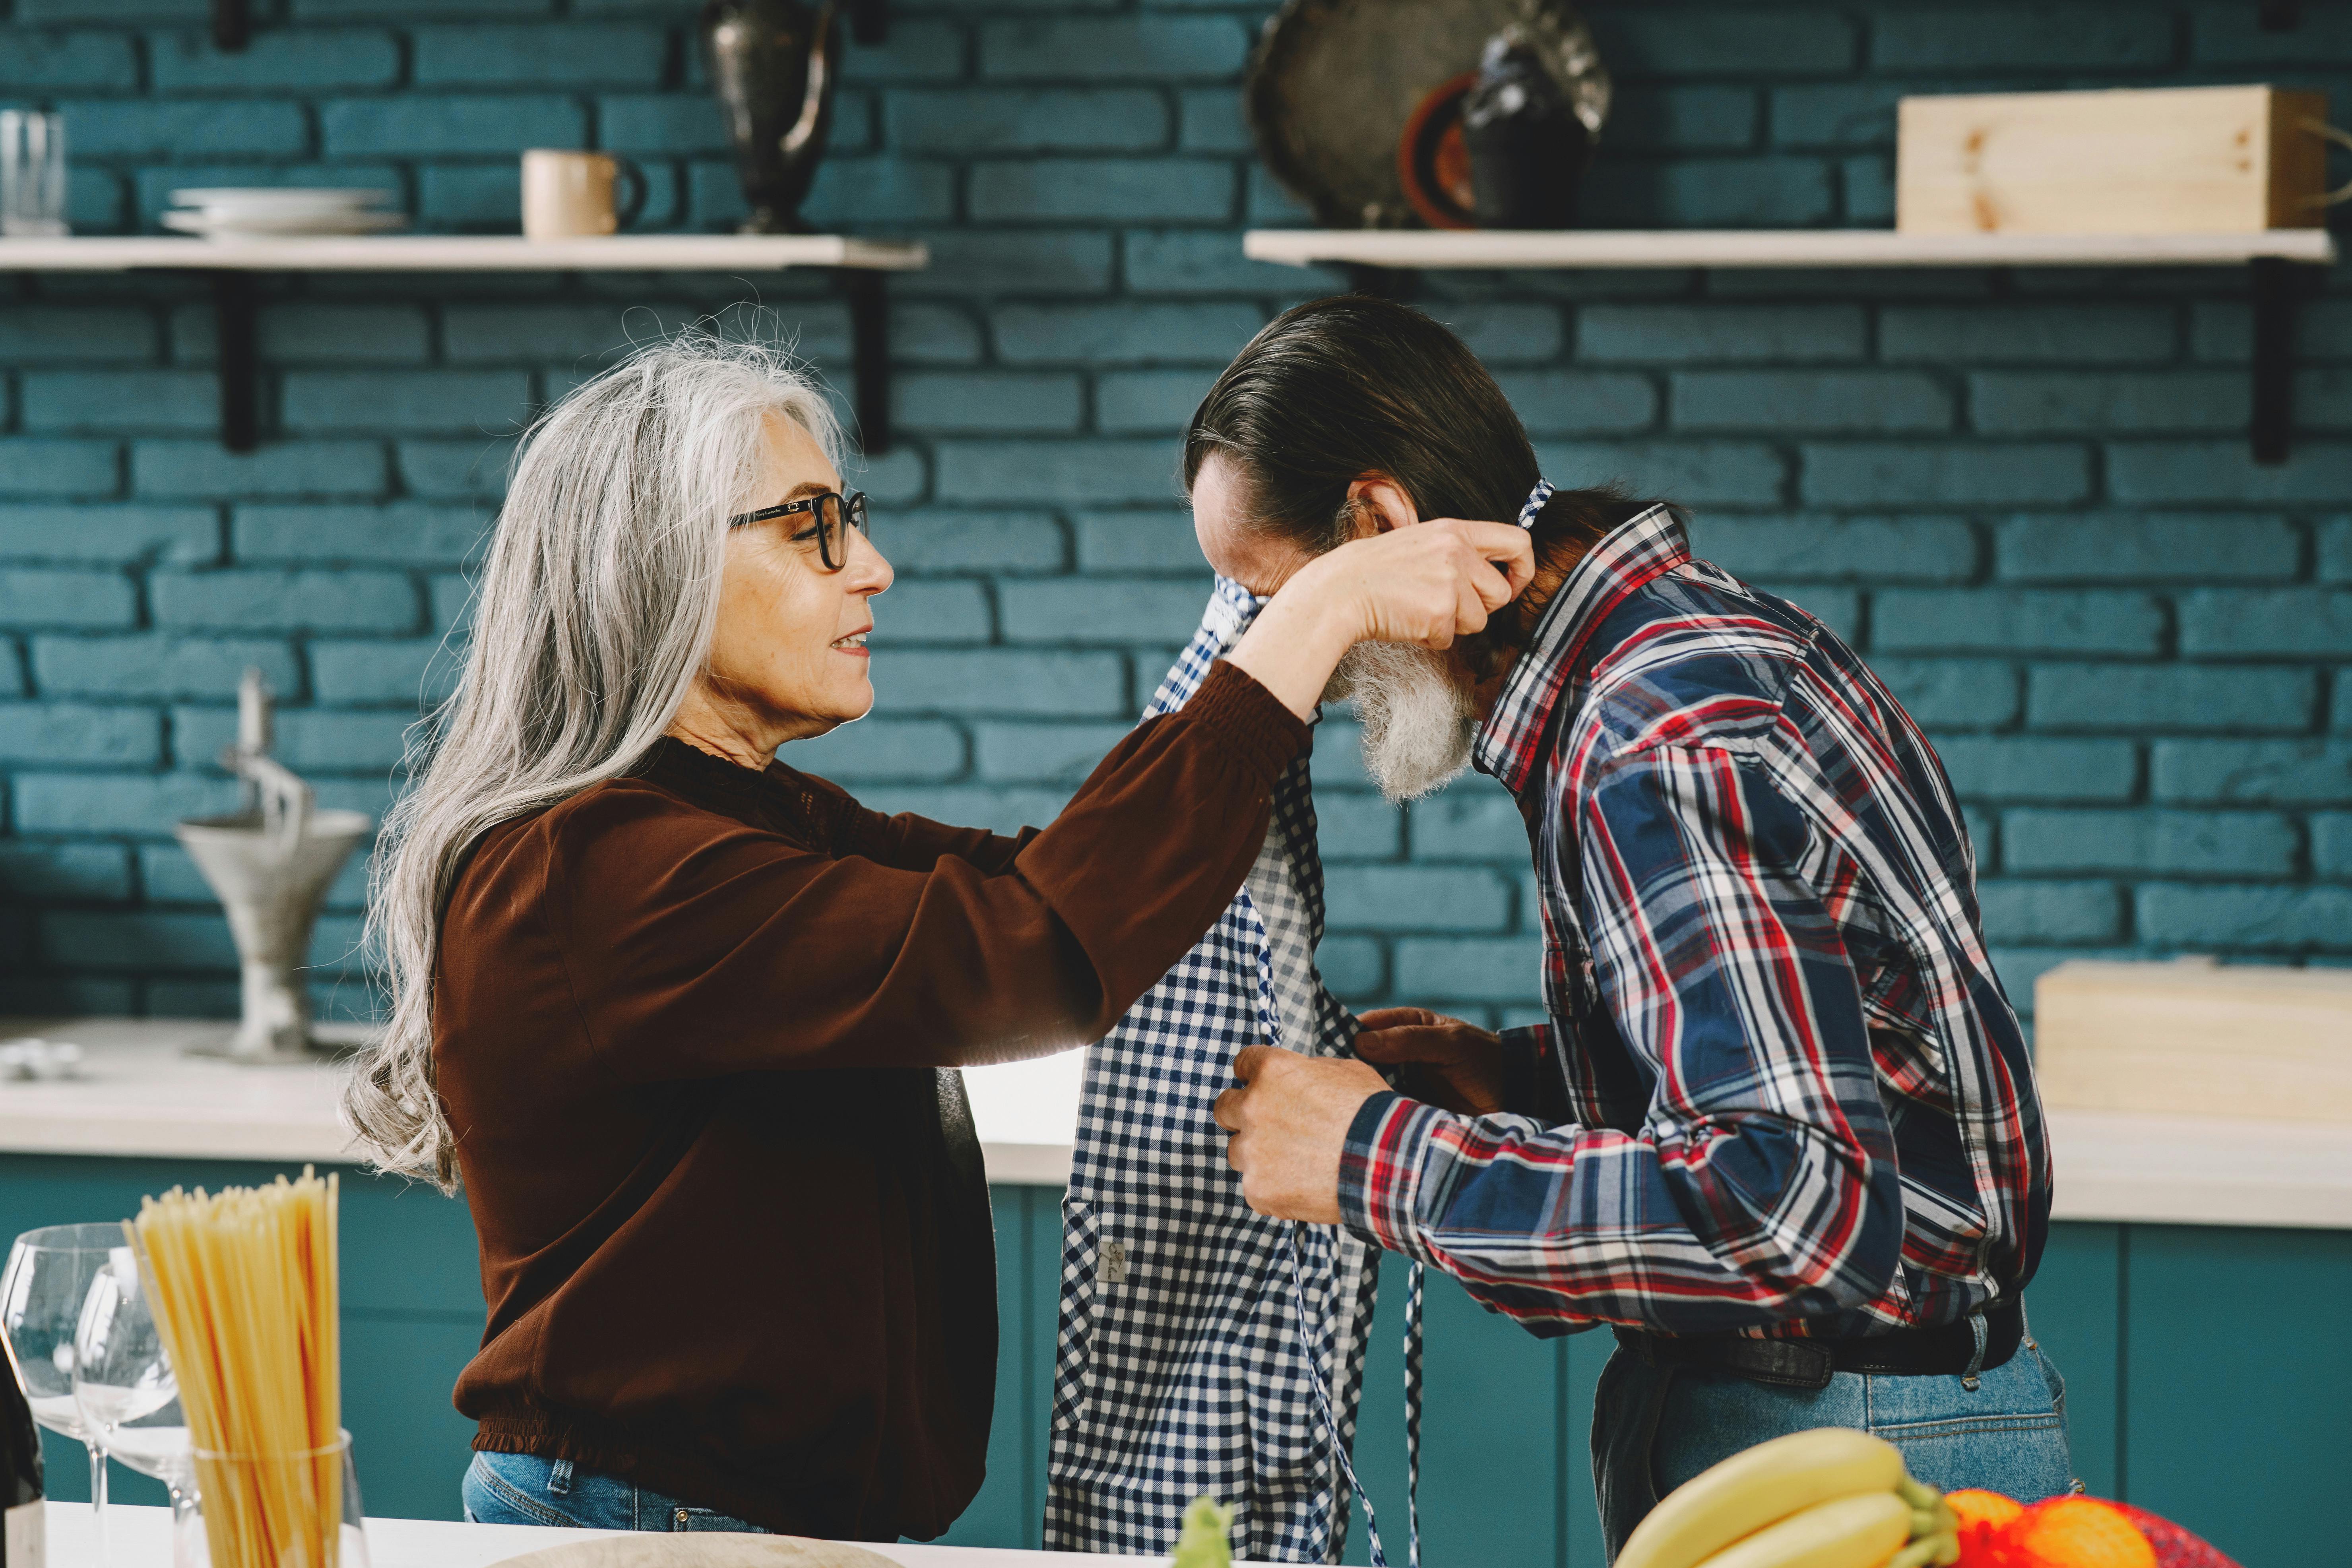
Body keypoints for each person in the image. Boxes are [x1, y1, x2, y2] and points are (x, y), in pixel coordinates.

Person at [339, 334, 1535, 1541]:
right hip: (655, 1531)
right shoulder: (594, 871)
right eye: (810, 526)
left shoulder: (747, 819)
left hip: (718, 1520)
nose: (873, 566)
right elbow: (1032, 951)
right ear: (651, 570)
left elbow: (1043, 883)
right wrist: (1321, 607)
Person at [1200, 297, 2070, 1556]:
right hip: (1889, 1412)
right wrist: (1523, 1081)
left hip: (1853, 1434)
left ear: (1381, 525)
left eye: (1282, 607)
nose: (1294, 663)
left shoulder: (1645, 737)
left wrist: (1371, 1155)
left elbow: (1794, 1214)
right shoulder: (1684, 646)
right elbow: (1839, 1060)